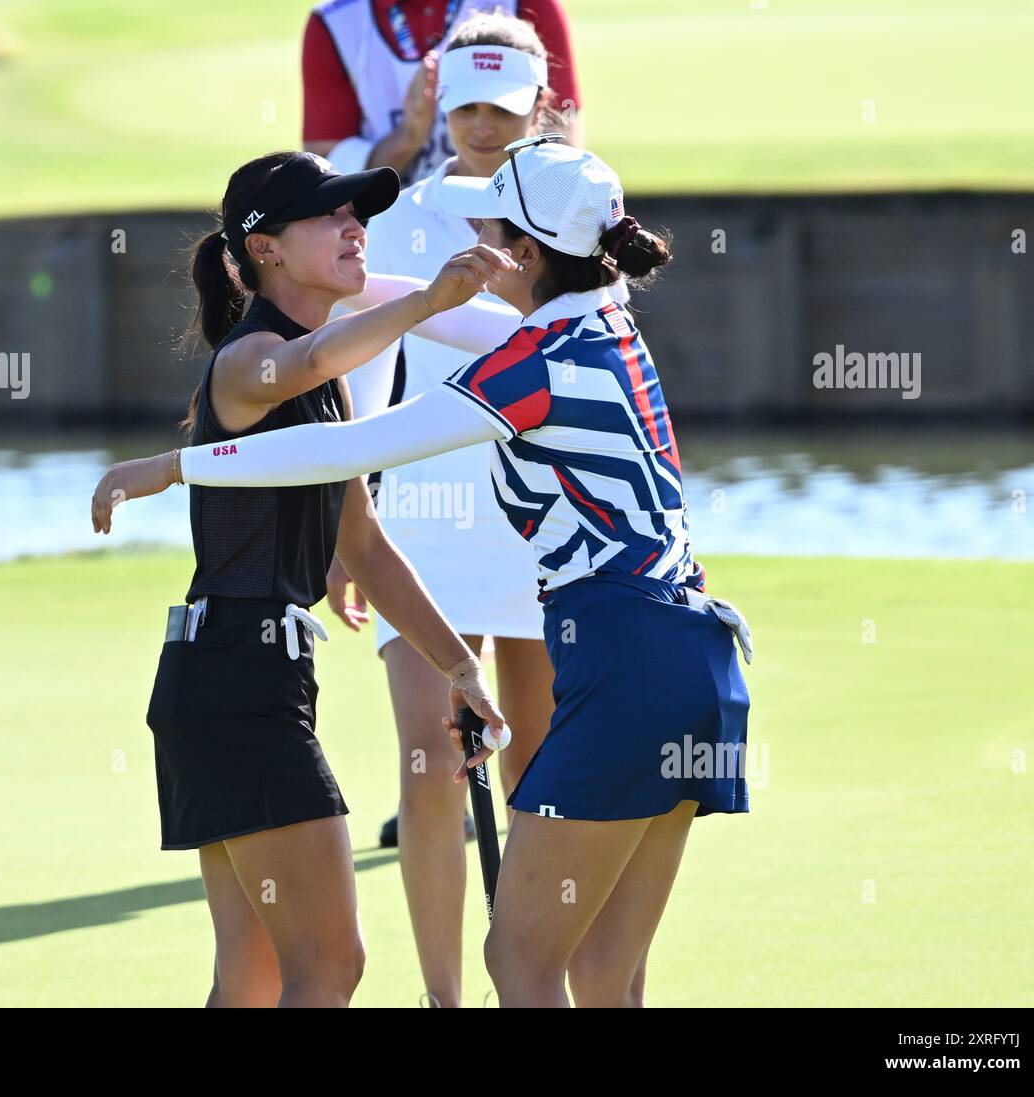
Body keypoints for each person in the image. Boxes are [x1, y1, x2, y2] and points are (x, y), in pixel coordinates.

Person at [92, 137, 754, 1008]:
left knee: (508, 967)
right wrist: (460, 663)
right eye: (329, 215)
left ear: (523, 249)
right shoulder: (609, 325)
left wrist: (177, 466)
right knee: (596, 978)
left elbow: (359, 476)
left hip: (621, 657)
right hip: (696, 659)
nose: (358, 226)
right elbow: (326, 372)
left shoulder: (531, 359)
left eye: (491, 227)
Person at [99, 149, 516, 1008]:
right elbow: (298, 366)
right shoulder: (251, 360)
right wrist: (426, 304)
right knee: (329, 967)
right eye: (329, 216)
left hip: (235, 682)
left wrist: (460, 667)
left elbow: (363, 545)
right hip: (236, 684)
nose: (354, 226)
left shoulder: (330, 390)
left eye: (357, 212)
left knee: (251, 979)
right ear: (266, 250)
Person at [325, 12, 566, 1008]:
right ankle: (442, 998)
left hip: (543, 517)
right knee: (428, 760)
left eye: (502, 108)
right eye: (464, 105)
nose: (481, 126)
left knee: (543, 767)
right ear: (436, 101)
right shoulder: (399, 222)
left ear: (539, 106)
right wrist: (349, 534)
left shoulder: (576, 219)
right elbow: (358, 388)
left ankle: (529, 981)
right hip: (423, 523)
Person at [302, 0, 584, 184]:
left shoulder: (528, 4)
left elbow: (562, 143)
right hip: (386, 223)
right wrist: (408, 136)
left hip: (517, 220)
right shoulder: (335, 22)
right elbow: (327, 175)